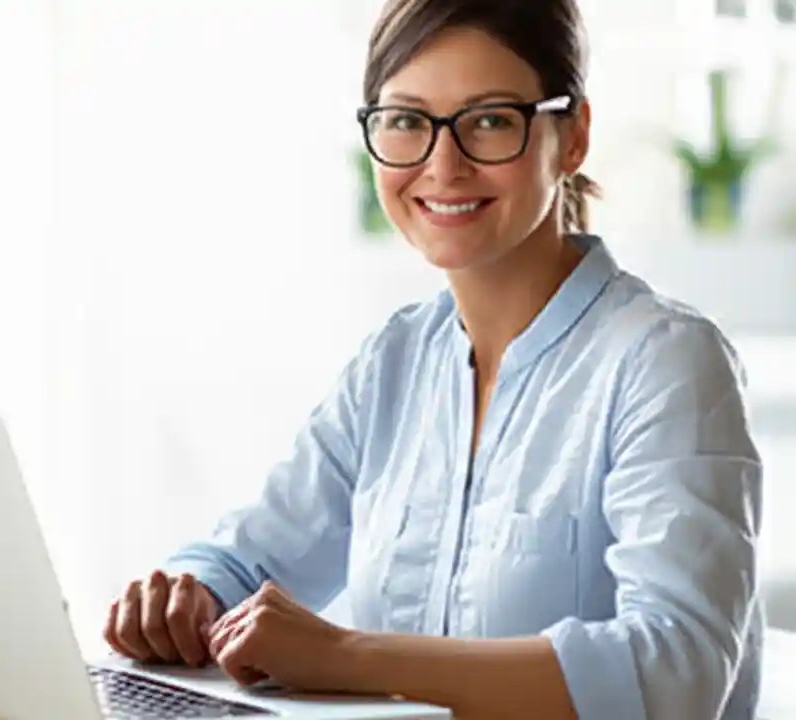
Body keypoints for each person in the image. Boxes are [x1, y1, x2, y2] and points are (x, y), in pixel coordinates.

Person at [100, 1, 764, 718]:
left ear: (572, 138)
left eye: (489, 121)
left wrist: (344, 657)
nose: (442, 165)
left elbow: (678, 668)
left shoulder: (664, 362)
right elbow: (246, 557)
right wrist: (183, 597)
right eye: (408, 121)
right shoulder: (395, 361)